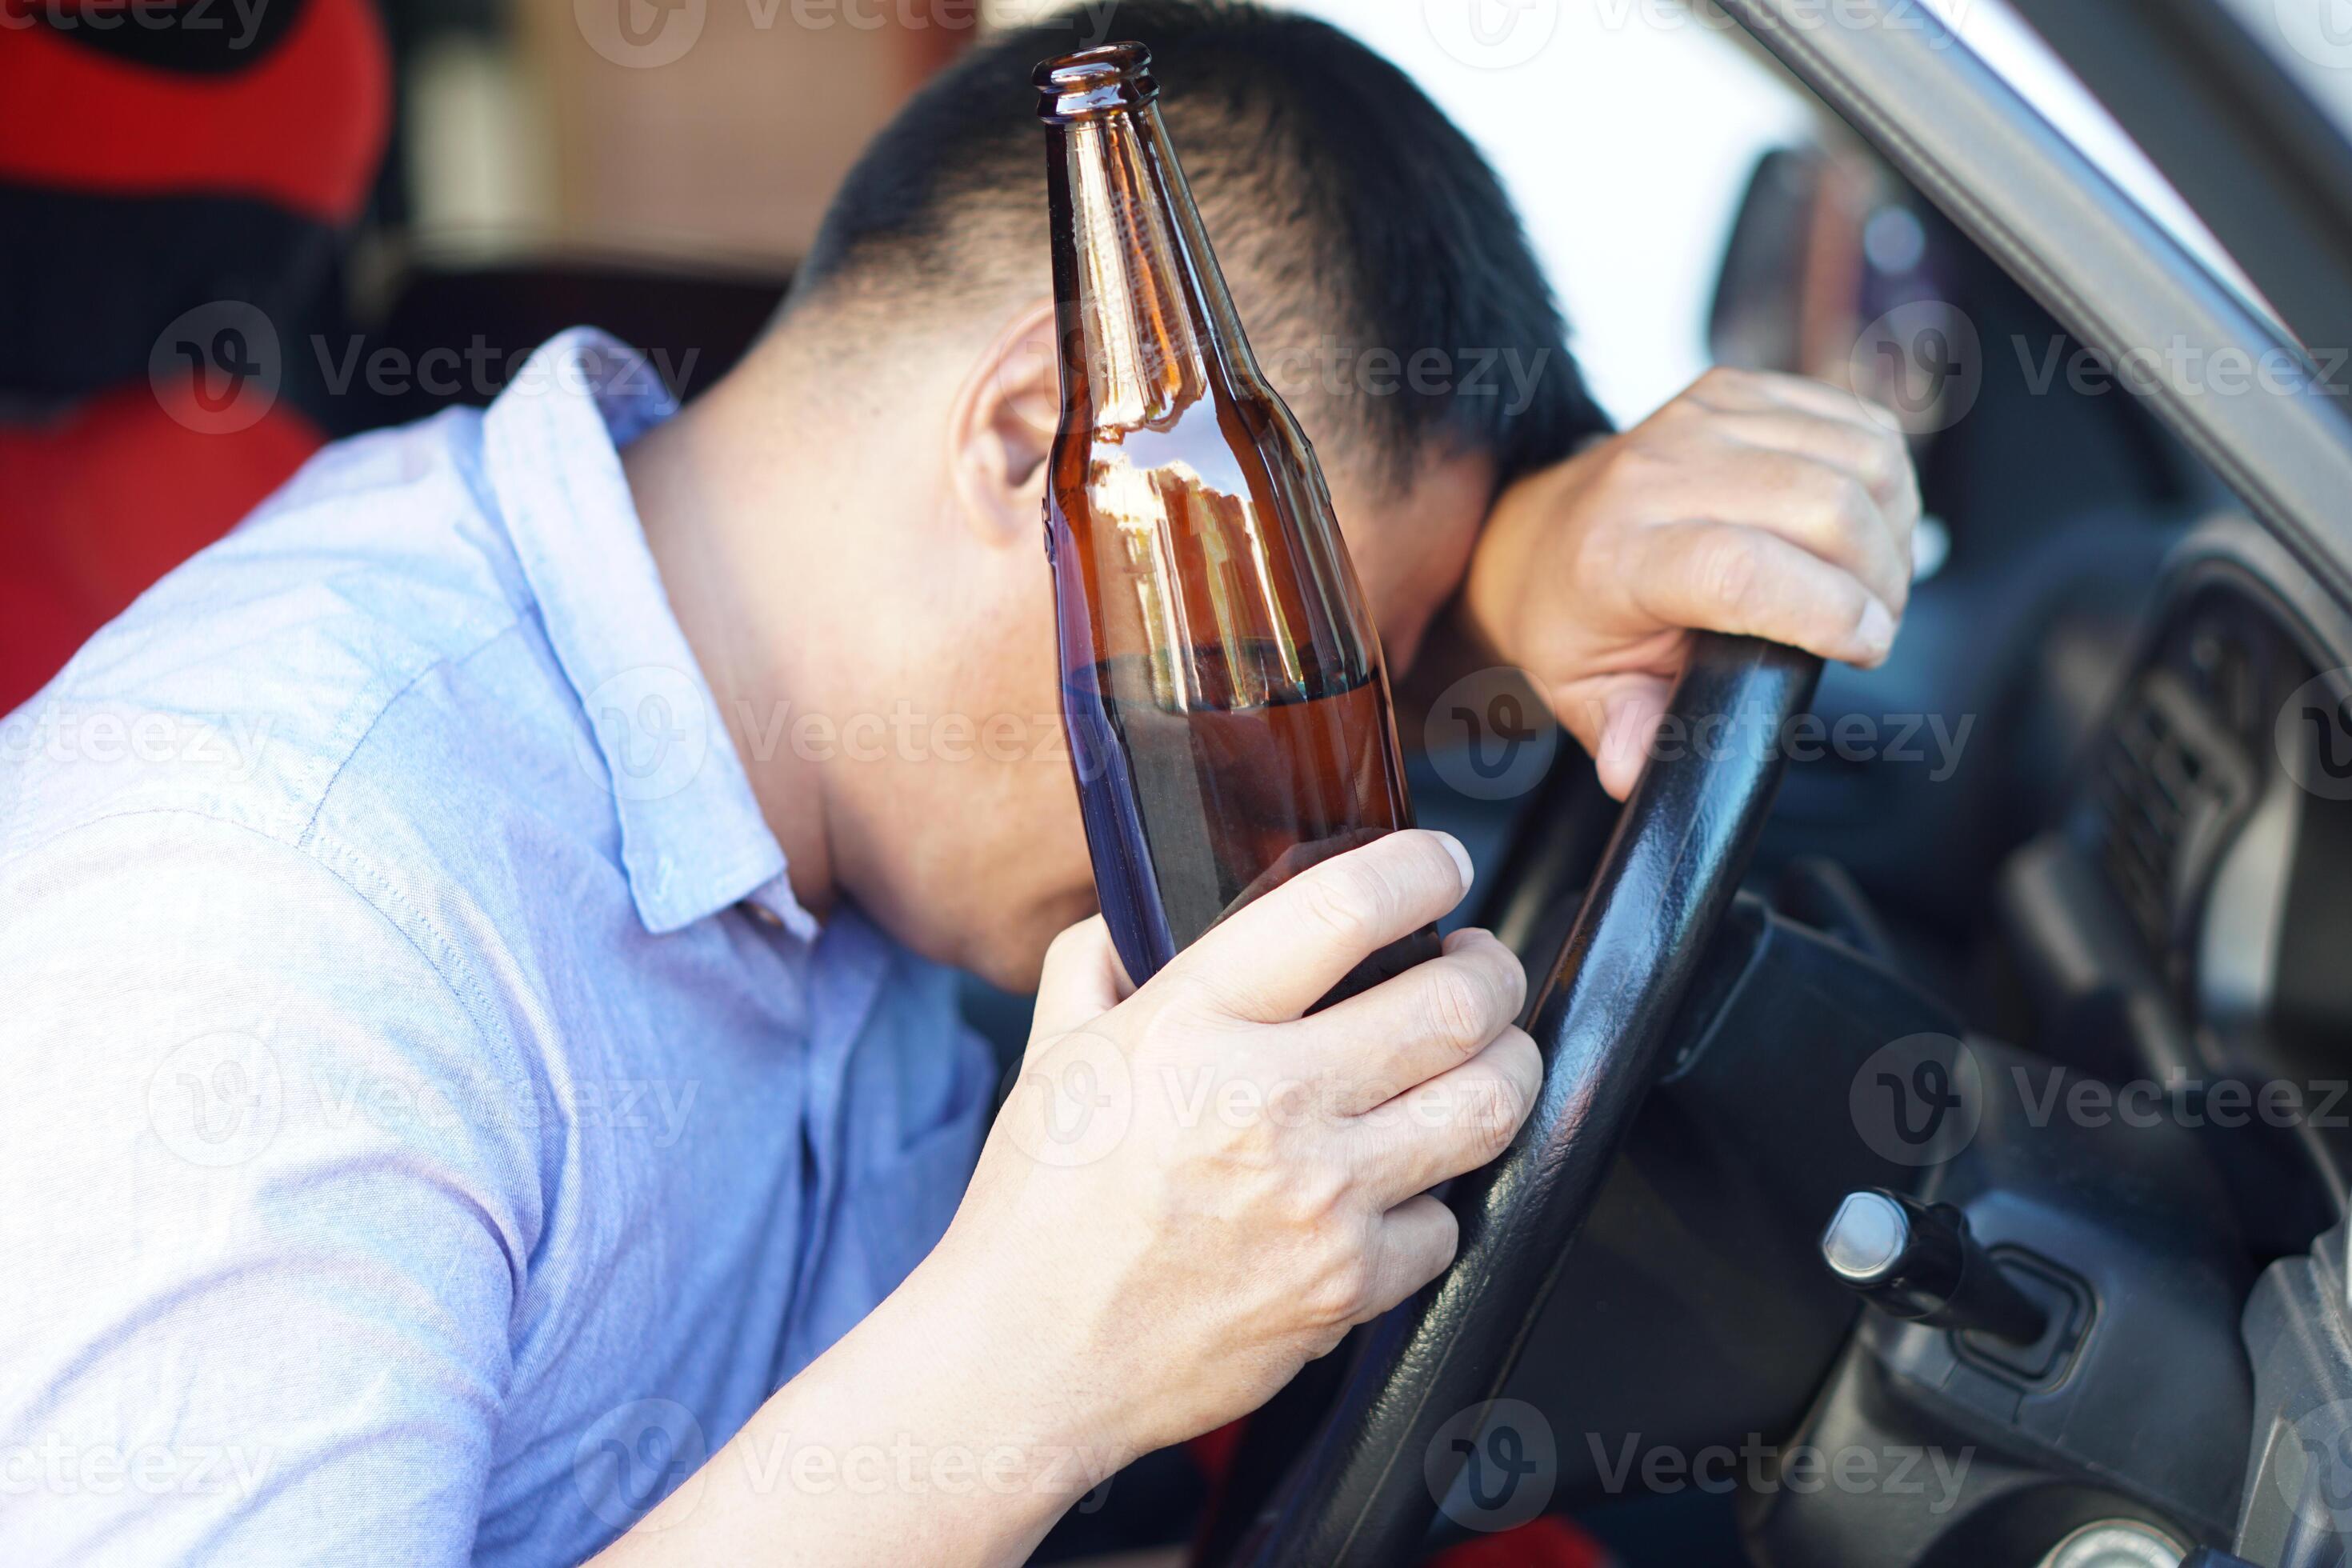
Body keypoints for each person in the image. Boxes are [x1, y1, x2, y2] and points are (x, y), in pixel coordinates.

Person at [0, 3, 1918, 1563]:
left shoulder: (847, 782)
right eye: (1280, 666)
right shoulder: (282, 897)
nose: (1295, 804)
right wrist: (1028, 1369)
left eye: (1371, 691)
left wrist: (1519, 568)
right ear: (1032, 443)